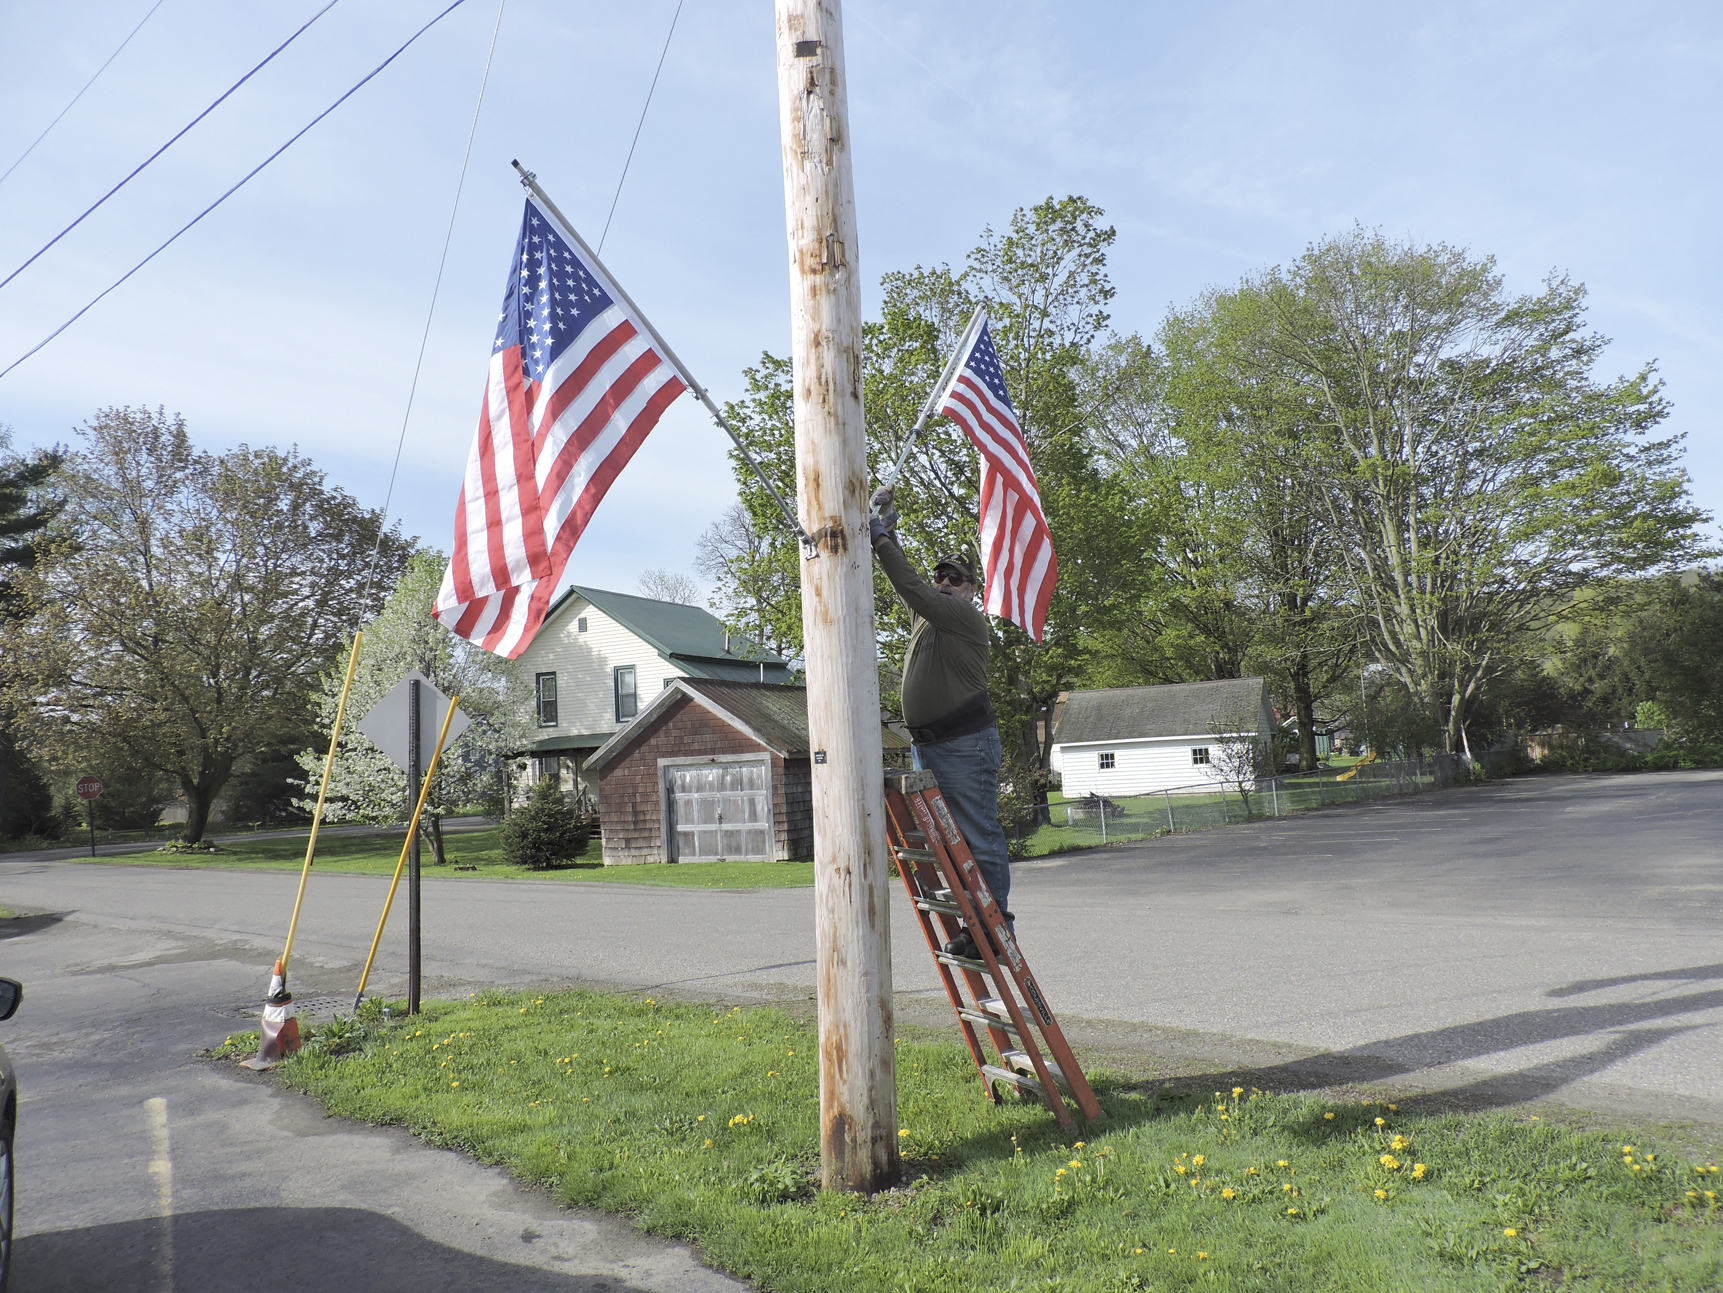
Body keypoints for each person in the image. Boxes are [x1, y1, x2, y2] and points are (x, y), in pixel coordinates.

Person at [869, 486, 1012, 960]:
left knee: (979, 835)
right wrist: (888, 531)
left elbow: (912, 587)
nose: (947, 583)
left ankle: (996, 927)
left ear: (971, 591)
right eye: (942, 577)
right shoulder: (927, 619)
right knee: (947, 845)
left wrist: (881, 541)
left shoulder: (963, 618)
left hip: (964, 744)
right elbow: (910, 588)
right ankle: (975, 926)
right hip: (930, 745)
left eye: (957, 579)